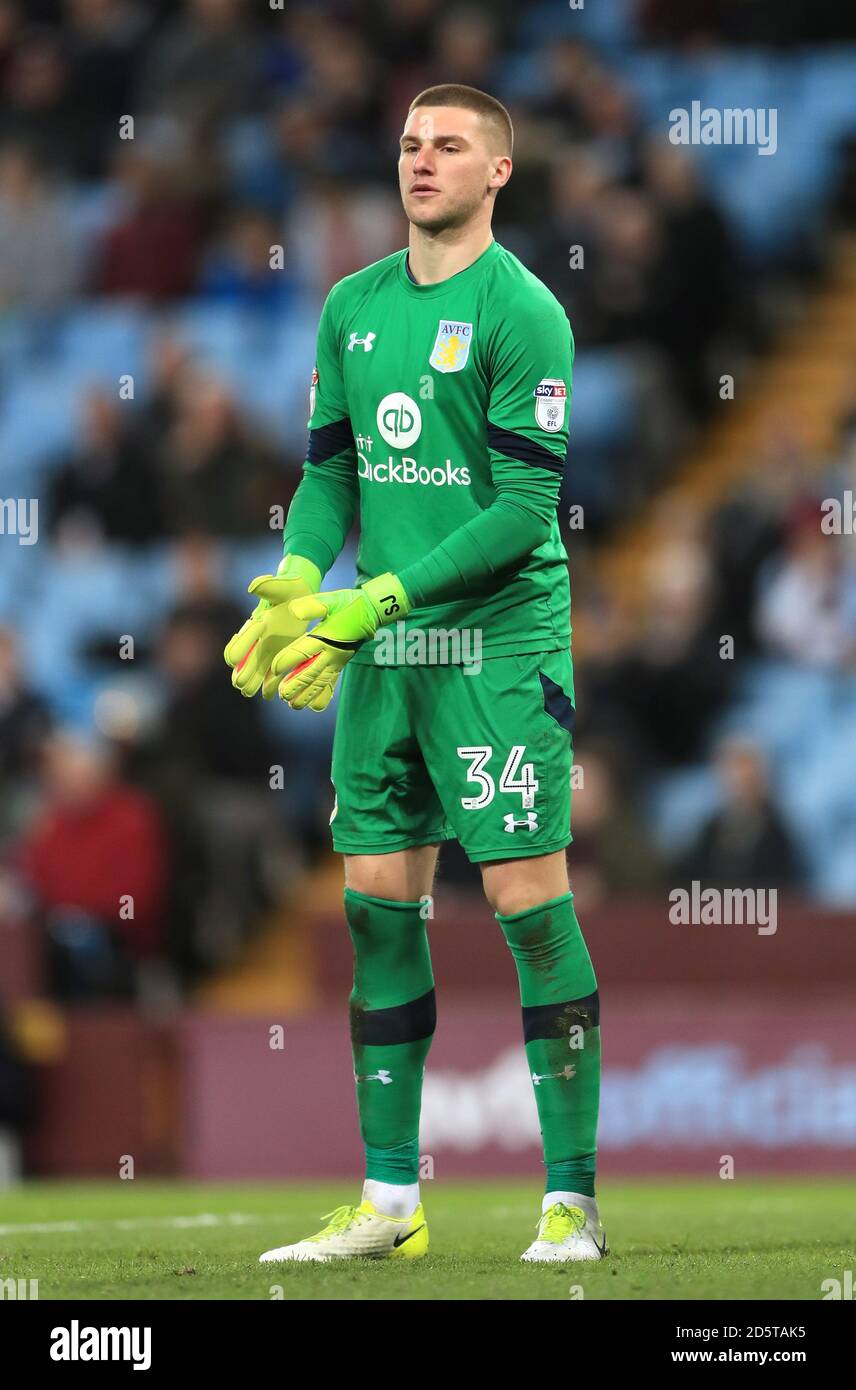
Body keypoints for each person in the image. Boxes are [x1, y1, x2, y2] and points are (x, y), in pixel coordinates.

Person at [225, 85, 605, 1265]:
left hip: (494, 640)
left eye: (448, 146)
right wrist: (297, 573)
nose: (421, 161)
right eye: (407, 145)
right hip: (382, 642)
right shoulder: (350, 305)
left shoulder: (523, 311)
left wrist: (377, 597)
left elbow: (523, 511)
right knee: (373, 893)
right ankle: (391, 1205)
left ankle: (571, 1202)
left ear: (499, 172)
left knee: (522, 901)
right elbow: (331, 466)